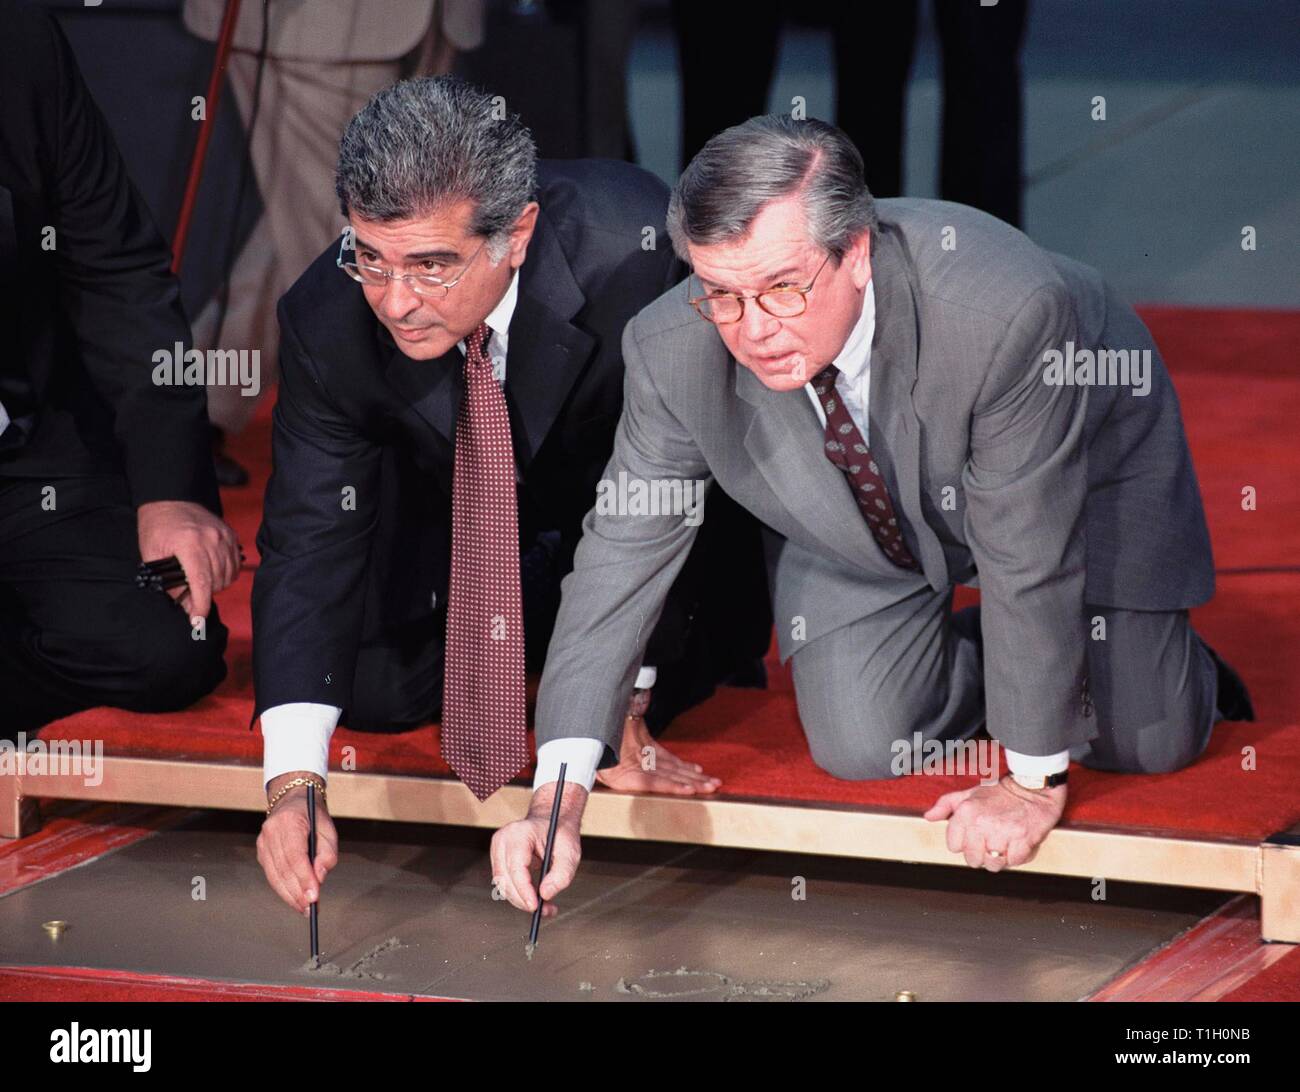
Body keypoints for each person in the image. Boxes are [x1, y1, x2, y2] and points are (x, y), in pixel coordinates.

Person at [489, 113, 1255, 917]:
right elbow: (620, 549)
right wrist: (555, 800)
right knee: (862, 741)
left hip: (1074, 468)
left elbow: (1030, 553)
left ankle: (1144, 656)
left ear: (856, 251)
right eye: (721, 293)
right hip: (870, 515)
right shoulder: (671, 345)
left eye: (783, 288)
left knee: (1146, 739)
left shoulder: (1006, 310)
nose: (753, 331)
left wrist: (1033, 781)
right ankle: (1027, 658)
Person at [254, 77, 770, 914]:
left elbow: (672, 484)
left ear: (517, 234)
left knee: (674, 664)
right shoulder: (326, 313)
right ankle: (531, 657)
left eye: (430, 266)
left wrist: (626, 695)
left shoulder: (635, 254)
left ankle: (601, 673)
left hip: (635, 518)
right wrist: (293, 786)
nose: (394, 301)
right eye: (370, 257)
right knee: (378, 695)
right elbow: (311, 535)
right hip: (463, 525)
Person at [0, 1, 237, 738]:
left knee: (169, 653)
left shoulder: (18, 38)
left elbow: (116, 270)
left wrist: (171, 492)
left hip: (25, 444)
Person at [182, 0, 486, 483]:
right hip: (314, 23)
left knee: (311, 229)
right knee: (361, 238)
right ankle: (385, 444)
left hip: (434, 17)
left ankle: (185, 409)